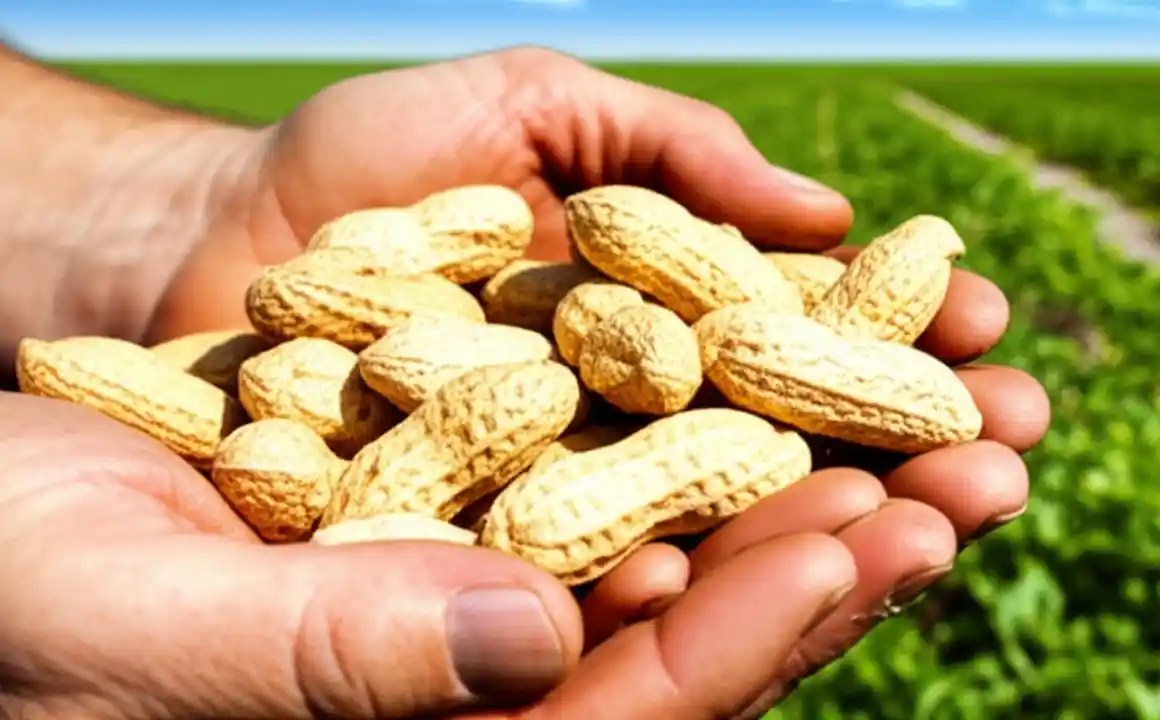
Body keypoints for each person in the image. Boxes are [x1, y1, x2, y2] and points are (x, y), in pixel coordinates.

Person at [0, 42, 1050, 719]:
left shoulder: (700, 334)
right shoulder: (458, 332)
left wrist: (167, 206)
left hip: (612, 406)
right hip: (475, 409)